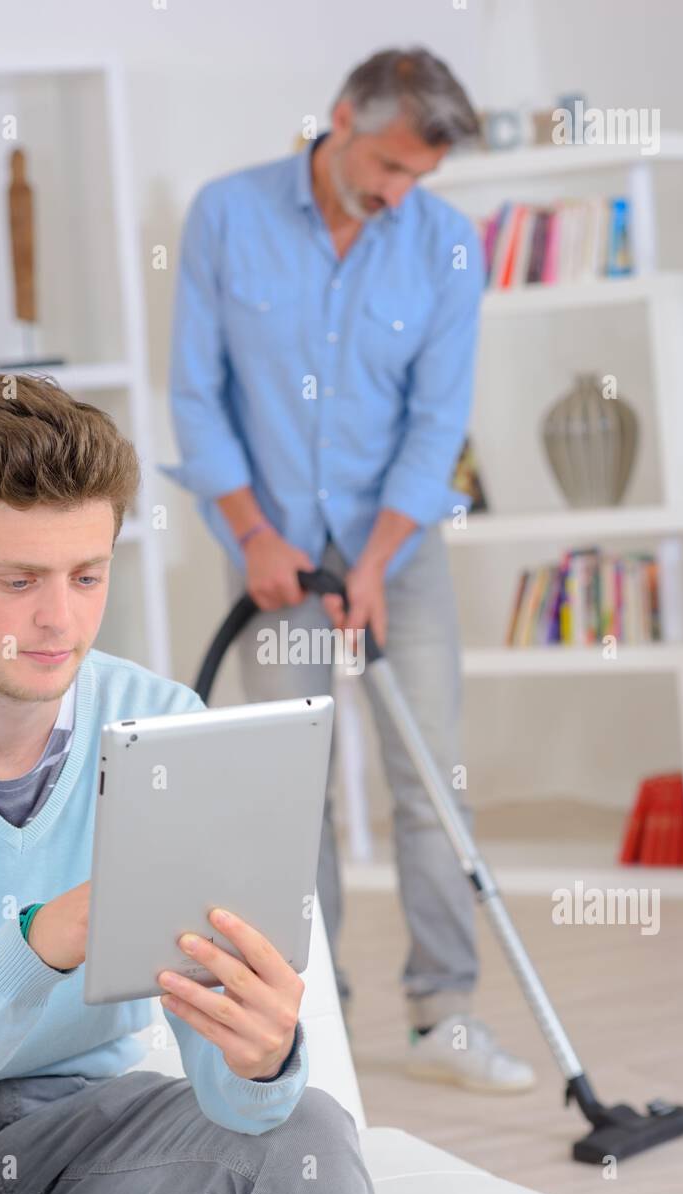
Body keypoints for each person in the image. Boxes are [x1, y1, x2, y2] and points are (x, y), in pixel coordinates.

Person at [0, 374, 391, 1194]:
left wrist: (260, 1058)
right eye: (19, 581)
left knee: (307, 1132)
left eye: (87, 576)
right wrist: (41, 941)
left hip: (93, 1145)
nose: (59, 621)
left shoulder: (162, 721)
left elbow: (232, 1098)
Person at [167, 47, 535, 1092]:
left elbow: (437, 423)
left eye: (417, 176)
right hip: (269, 551)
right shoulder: (227, 217)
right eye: (386, 165)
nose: (395, 192)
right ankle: (310, 1019)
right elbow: (197, 394)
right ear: (339, 119)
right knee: (289, 790)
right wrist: (252, 535)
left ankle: (445, 1014)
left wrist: (376, 559)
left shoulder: (443, 246)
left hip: (397, 548)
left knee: (430, 778)